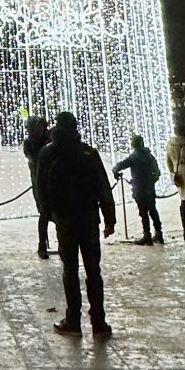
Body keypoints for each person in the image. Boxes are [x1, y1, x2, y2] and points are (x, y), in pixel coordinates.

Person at [37, 110, 115, 337]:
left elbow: (41, 188)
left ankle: (73, 319)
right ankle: (99, 322)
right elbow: (102, 186)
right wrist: (109, 219)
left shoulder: (48, 154)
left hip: (65, 219)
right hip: (88, 217)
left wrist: (50, 214)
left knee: (69, 269)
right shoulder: (88, 153)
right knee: (93, 270)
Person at [114, 133, 164, 245]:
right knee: (153, 210)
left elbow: (120, 166)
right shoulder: (149, 155)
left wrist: (115, 171)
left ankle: (147, 235)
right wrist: (151, 182)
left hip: (140, 190)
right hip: (149, 189)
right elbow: (157, 172)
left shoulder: (134, 156)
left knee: (143, 213)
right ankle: (159, 233)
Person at [24, 114, 52, 258]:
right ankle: (42, 244)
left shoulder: (50, 138)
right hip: (39, 182)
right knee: (44, 213)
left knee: (55, 213)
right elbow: (34, 160)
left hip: (52, 181)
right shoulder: (29, 143)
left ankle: (61, 243)